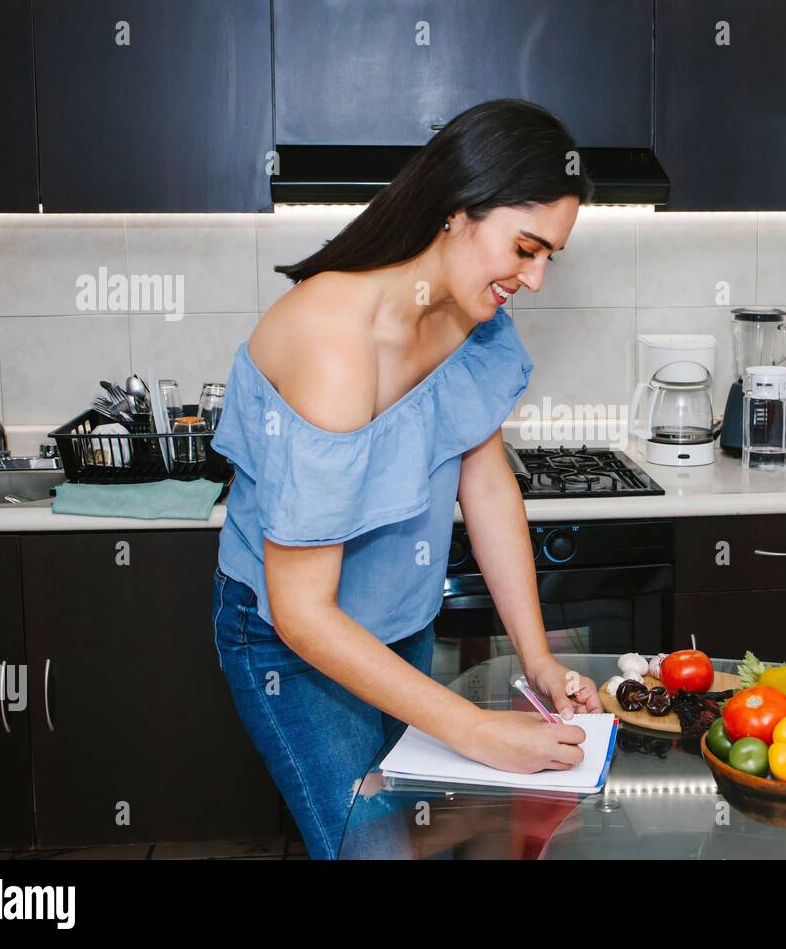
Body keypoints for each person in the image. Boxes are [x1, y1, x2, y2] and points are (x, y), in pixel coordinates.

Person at [209, 99, 600, 859]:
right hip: (291, 647)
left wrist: (539, 658)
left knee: (417, 830)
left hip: (401, 623)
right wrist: (477, 730)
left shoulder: (467, 315)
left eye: (551, 254)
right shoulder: (336, 343)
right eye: (525, 247)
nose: (537, 278)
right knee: (376, 848)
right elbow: (303, 612)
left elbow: (485, 487)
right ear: (457, 211)